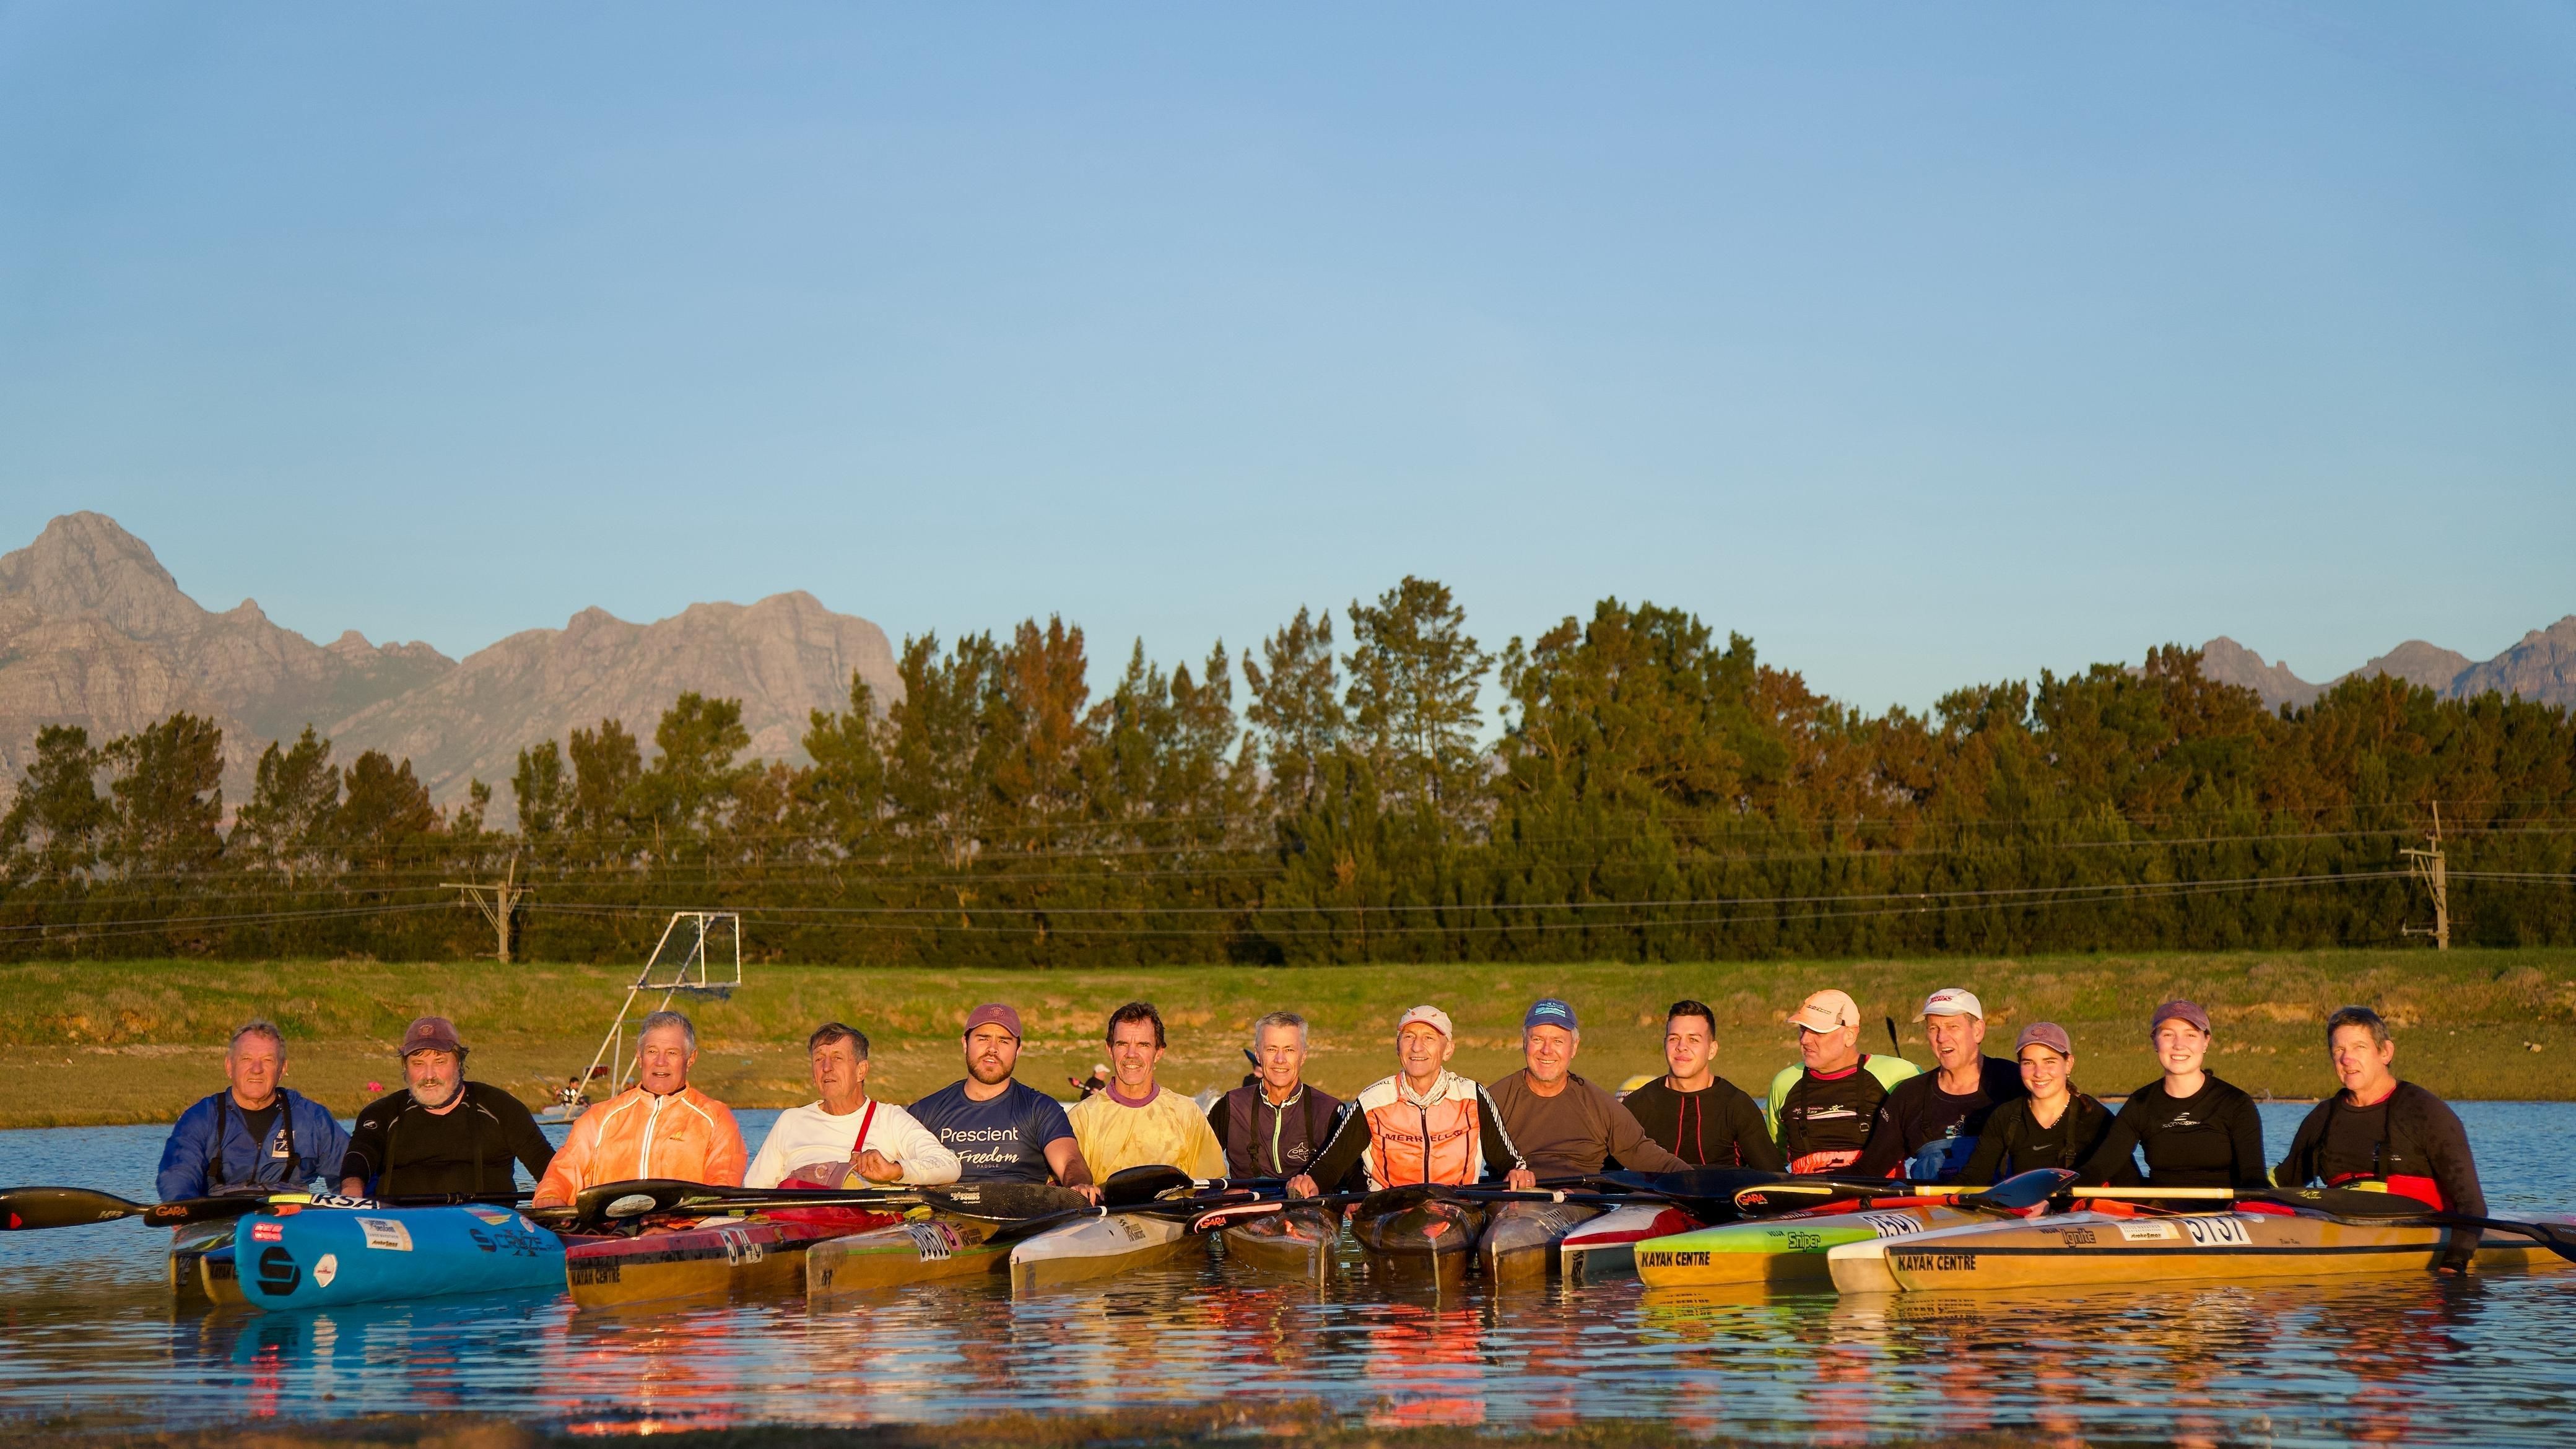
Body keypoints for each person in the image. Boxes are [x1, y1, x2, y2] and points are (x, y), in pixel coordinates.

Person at [2273, 1005, 2486, 1271]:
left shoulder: (2425, 1112)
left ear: (2385, 1052)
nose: (2347, 1059)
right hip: (2339, 1239)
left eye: (2359, 1047)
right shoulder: (2323, 1118)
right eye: (2339, 1051)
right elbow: (2284, 1182)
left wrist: (2455, 1262)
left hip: (2421, 1252)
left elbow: (2472, 1203)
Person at [1290, 1005, 1535, 1197]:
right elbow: (1331, 1164)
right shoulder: (1372, 1100)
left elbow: (1508, 1161)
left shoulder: (1473, 1095)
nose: (1417, 1047)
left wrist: (1518, 1174)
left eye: (1429, 1038)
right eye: (1409, 1037)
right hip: (1389, 1215)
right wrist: (1308, 1180)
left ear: (1448, 1050)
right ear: (1398, 1047)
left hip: (1457, 1213)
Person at [531, 1011, 746, 1207]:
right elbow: (565, 1168)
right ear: (639, 1057)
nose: (660, 1062)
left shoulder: (716, 1118)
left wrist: (674, 1229)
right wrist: (550, 1194)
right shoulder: (600, 1117)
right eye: (652, 1051)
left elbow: (722, 1186)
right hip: (607, 1234)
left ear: (690, 1059)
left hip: (683, 1232)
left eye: (672, 1053)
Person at [336, 1016, 554, 1201]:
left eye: (440, 1062)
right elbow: (360, 1155)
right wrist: (351, 1187)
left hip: (490, 1232)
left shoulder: (501, 1107)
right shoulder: (381, 1113)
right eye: (418, 1064)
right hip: (400, 1231)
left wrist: (554, 1196)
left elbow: (549, 1168)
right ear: (405, 1067)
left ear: (459, 1063)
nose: (429, 1076)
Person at [910, 1003, 1101, 1203]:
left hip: (1024, 1225)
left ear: (1018, 1050)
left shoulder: (1040, 1109)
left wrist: (1078, 1184)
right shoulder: (925, 1112)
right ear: (965, 1043)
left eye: (1004, 1041)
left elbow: (1070, 1161)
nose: (992, 1049)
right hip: (945, 1225)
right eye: (983, 1038)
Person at [1484, 999, 1688, 1178]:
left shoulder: (1599, 1106)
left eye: (1558, 1041)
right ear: (1524, 1043)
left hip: (1580, 1211)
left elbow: (1642, 1153)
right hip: (1511, 1209)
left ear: (1574, 1047)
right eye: (1537, 1039)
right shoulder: (1492, 1101)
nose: (1546, 1051)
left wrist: (1695, 1182)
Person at [745, 1023, 960, 1189]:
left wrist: (895, 1171)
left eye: (837, 1058)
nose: (827, 1068)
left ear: (861, 1071)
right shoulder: (791, 1121)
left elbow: (949, 1165)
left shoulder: (890, 1119)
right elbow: (755, 1190)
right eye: (819, 1060)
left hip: (861, 1234)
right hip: (794, 1226)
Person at [2079, 999, 2266, 1190]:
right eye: (2168, 1035)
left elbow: (2254, 1177)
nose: (2179, 1045)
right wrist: (2054, 1195)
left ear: (2206, 1042)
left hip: (2225, 1213)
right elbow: (2099, 1168)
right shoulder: (2140, 1104)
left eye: (2191, 1035)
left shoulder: (2236, 1103)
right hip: (2160, 1213)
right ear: (2155, 1041)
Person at [158, 1019, 351, 1201]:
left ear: (282, 1069)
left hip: (292, 1218)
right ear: (229, 1067)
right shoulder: (201, 1118)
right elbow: (178, 1171)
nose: (256, 1069)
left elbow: (351, 1168)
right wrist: (180, 1204)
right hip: (218, 1218)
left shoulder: (312, 1119)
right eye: (246, 1059)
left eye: (268, 1060)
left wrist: (355, 1189)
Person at [1855, 988, 2024, 1181]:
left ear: (1978, 1031)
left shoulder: (2014, 1082)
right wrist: (1816, 1189)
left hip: (2008, 1208)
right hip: (1929, 1210)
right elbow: (1868, 1172)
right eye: (1933, 1028)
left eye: (1953, 1027)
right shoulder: (1909, 1096)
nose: (1941, 1038)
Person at [1065, 1001, 1226, 1181]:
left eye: (1143, 1045)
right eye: (1122, 1044)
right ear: (1110, 1050)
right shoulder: (1082, 1117)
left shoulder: (1187, 1114)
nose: (1131, 1054)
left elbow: (1210, 1188)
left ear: (1158, 1052)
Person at [1764, 989, 1920, 1173]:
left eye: (1818, 1032)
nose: (1805, 1040)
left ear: (1850, 1035)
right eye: (1803, 1029)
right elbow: (1773, 1158)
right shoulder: (1785, 1082)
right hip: (1809, 1194)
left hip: (1878, 1192)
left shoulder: (1899, 1073)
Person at [1621, 1000, 1784, 1172]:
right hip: (1658, 1198)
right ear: (1665, 1044)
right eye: (1674, 1038)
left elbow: (1774, 1179)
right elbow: (1603, 1174)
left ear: (1712, 1050)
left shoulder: (1737, 1106)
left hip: (1721, 1197)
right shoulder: (1639, 1104)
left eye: (1693, 1040)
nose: (1682, 1047)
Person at [1958, 1022, 2117, 1185]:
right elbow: (1972, 1178)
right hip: (2020, 1208)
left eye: (2049, 1062)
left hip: (2078, 1209)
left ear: (2069, 1063)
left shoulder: (2095, 1117)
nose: (2039, 1073)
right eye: (2029, 1063)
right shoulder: (2005, 1117)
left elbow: (2128, 1183)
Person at [1207, 1011, 1344, 1181]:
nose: (1280, 1059)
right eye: (1271, 1049)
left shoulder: (1329, 1110)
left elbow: (1352, 1177)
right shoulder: (1232, 1105)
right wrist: (1225, 1193)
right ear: (1258, 1054)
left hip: (1309, 1205)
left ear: (1303, 1056)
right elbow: (1200, 1165)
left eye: (1289, 1050)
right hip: (1245, 1204)